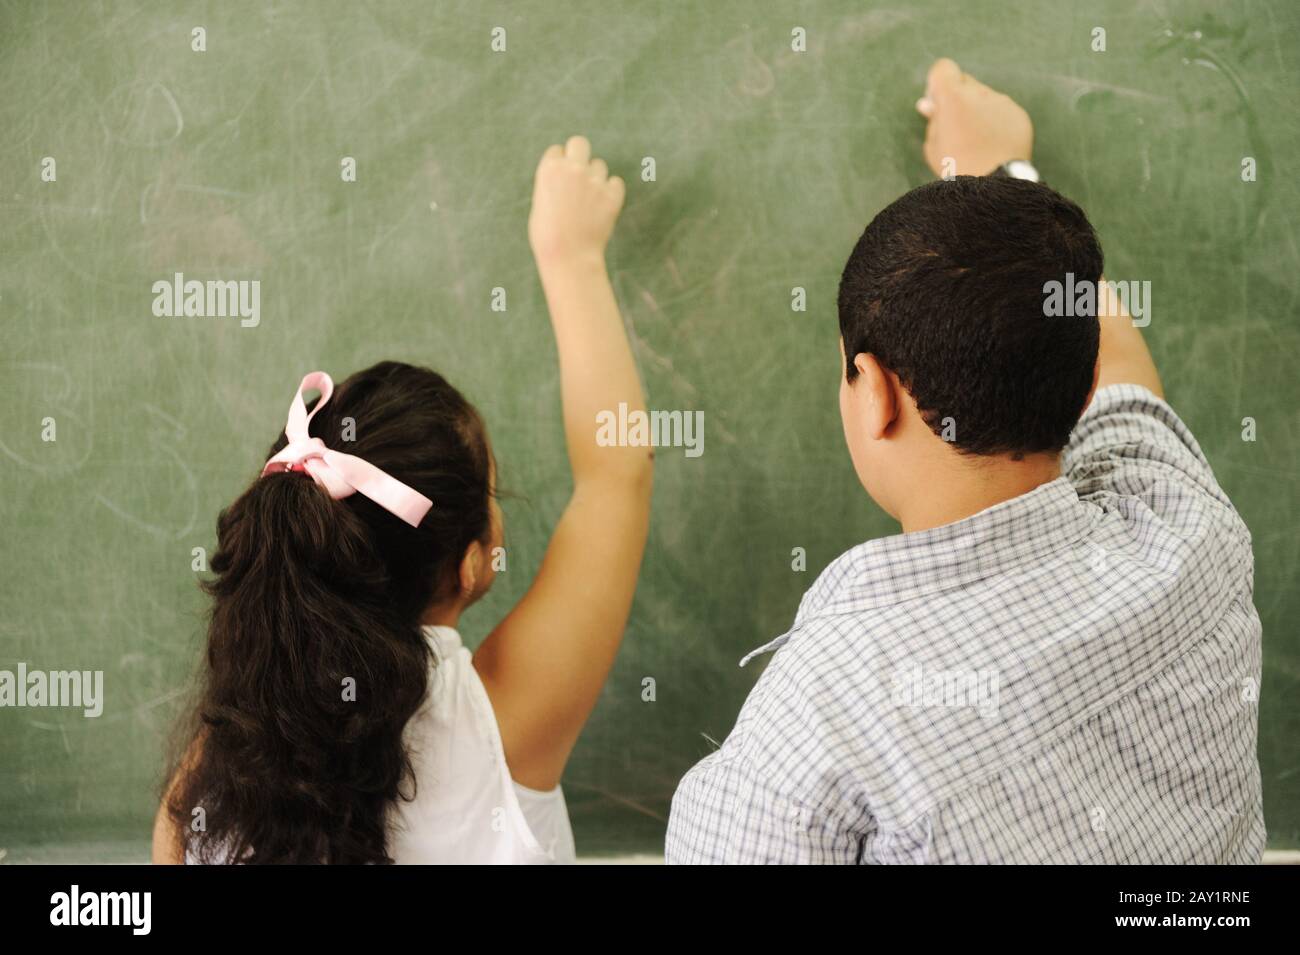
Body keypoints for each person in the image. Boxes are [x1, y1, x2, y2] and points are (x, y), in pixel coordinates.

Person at [665, 59, 1264, 864]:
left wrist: (999, 175)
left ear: (872, 391)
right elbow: (1115, 364)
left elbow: (1106, 360)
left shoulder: (822, 715)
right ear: (1083, 384)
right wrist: (1003, 177)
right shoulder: (1186, 527)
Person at [153, 136, 653, 864]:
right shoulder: (502, 719)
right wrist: (568, 255)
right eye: (490, 494)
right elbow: (617, 476)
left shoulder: (210, 778)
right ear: (473, 563)